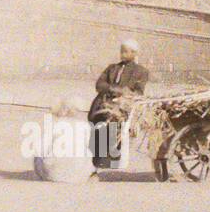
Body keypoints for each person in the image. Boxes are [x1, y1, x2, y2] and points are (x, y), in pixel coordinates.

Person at [89, 39, 149, 169]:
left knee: (114, 136)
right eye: (122, 51)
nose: (123, 54)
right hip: (102, 105)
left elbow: (138, 92)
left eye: (126, 51)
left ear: (134, 53)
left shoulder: (141, 71)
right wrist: (115, 89)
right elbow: (99, 84)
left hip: (121, 107)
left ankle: (109, 167)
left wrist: (124, 96)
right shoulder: (112, 68)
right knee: (98, 135)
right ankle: (97, 165)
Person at [33, 95, 95, 183]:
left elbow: (41, 147)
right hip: (79, 175)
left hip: (52, 174)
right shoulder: (84, 125)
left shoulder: (54, 124)